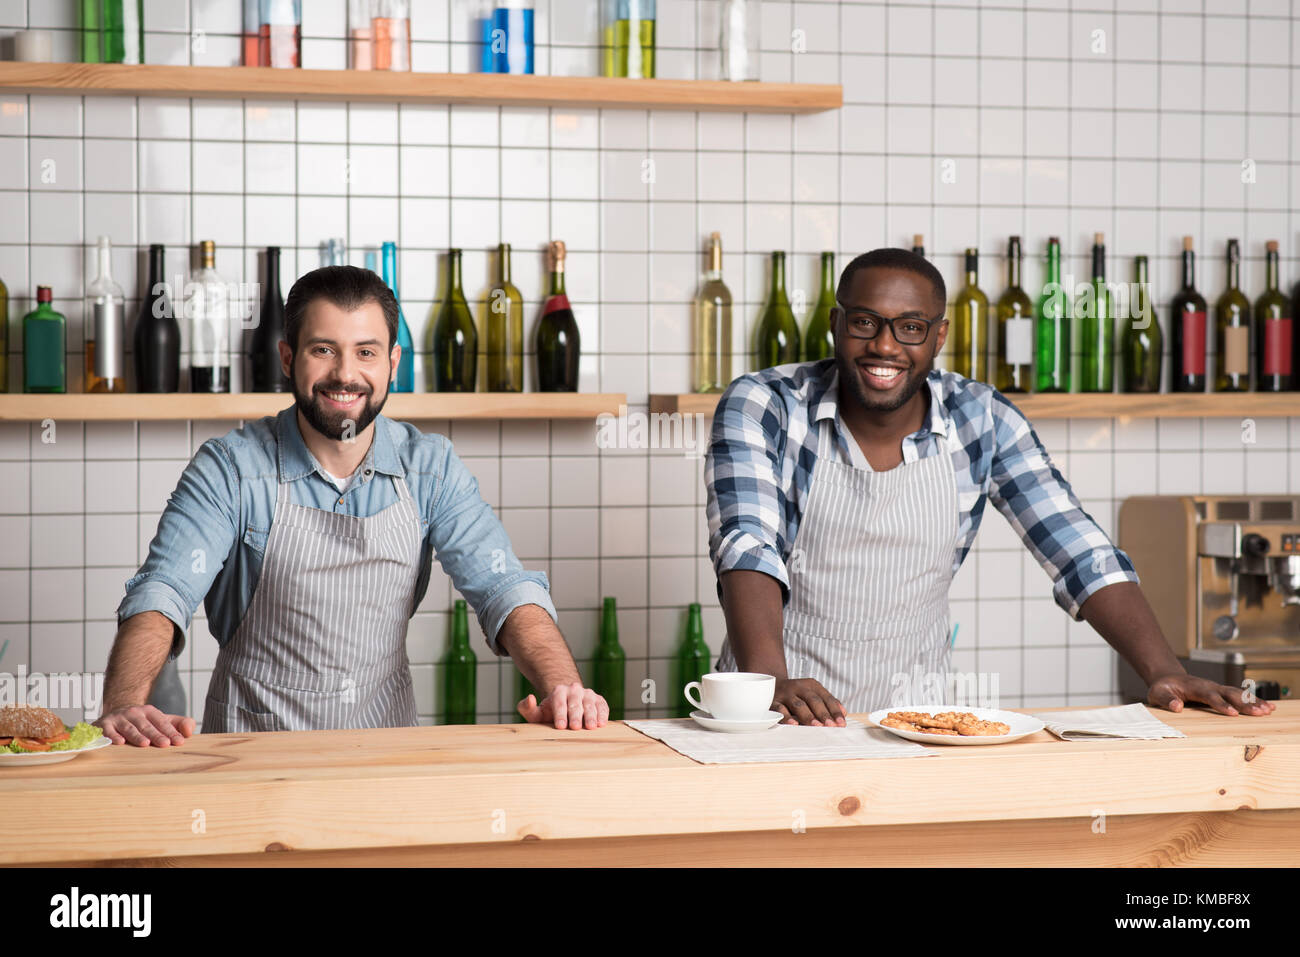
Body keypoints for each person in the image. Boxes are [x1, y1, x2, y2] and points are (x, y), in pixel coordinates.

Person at [705, 247, 1275, 726]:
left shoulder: (981, 417)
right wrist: (769, 682)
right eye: (864, 323)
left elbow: (1077, 548)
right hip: (772, 714)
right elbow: (748, 541)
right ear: (836, 324)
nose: (884, 345)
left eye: (910, 327)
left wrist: (1162, 671)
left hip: (918, 723)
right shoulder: (764, 404)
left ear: (938, 336)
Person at [97, 265, 607, 746]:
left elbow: (504, 589)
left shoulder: (430, 468)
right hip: (248, 760)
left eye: (366, 352)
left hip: (384, 758)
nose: (346, 374)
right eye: (324, 349)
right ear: (288, 358)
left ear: (393, 363)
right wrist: (123, 704)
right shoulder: (231, 468)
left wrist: (565, 690)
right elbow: (163, 593)